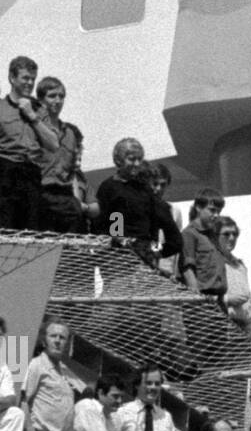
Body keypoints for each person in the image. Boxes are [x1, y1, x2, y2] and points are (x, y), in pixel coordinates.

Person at [0, 56, 60, 230]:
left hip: (31, 174)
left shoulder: (39, 110)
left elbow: (53, 144)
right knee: (4, 230)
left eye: (33, 79)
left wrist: (33, 116)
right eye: (25, 78)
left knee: (31, 231)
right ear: (12, 78)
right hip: (4, 173)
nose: (29, 83)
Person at [92, 137, 180, 266]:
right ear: (118, 160)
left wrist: (156, 252)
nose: (137, 163)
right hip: (118, 264)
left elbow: (170, 233)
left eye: (140, 159)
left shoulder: (146, 190)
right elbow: (107, 224)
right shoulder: (110, 188)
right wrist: (118, 244)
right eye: (132, 159)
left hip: (145, 263)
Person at [22, 318, 79, 431]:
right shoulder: (37, 365)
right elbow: (23, 402)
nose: (57, 340)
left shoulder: (65, 371)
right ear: (44, 340)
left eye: (62, 337)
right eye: (53, 335)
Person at [35, 76, 90, 234]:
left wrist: (77, 201)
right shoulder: (33, 128)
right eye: (52, 96)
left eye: (61, 96)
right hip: (42, 193)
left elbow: (72, 173)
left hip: (65, 196)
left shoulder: (71, 134)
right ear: (41, 99)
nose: (58, 100)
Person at [214, 217, 251, 338]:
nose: (232, 238)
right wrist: (228, 300)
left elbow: (249, 303)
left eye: (235, 234)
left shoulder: (240, 266)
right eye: (226, 234)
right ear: (215, 236)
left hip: (244, 332)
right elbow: (198, 295)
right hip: (221, 329)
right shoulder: (209, 263)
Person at [178, 200, 227, 300]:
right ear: (199, 208)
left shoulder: (213, 236)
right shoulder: (189, 234)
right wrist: (197, 298)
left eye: (219, 211)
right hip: (202, 300)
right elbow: (187, 269)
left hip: (218, 300)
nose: (216, 215)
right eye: (212, 210)